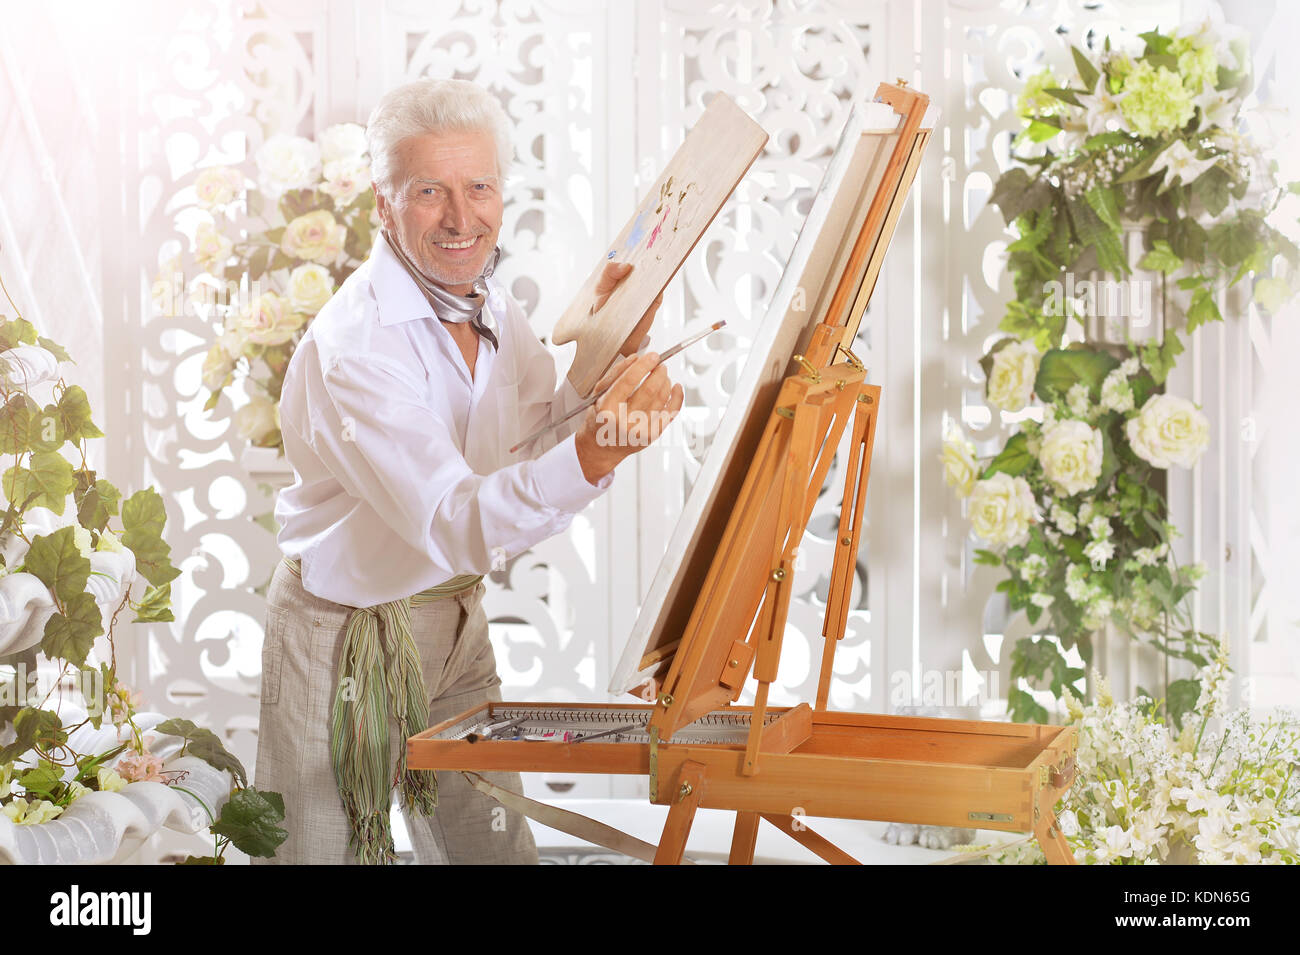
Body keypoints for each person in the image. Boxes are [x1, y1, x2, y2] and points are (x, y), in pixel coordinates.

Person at [253, 77, 683, 864]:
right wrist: (602, 448)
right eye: (430, 192)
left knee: (492, 849)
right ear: (383, 207)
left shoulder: (488, 303)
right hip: (345, 635)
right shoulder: (357, 346)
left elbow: (527, 440)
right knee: (319, 856)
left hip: (454, 622)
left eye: (479, 186)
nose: (462, 217)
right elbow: (457, 519)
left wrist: (612, 348)